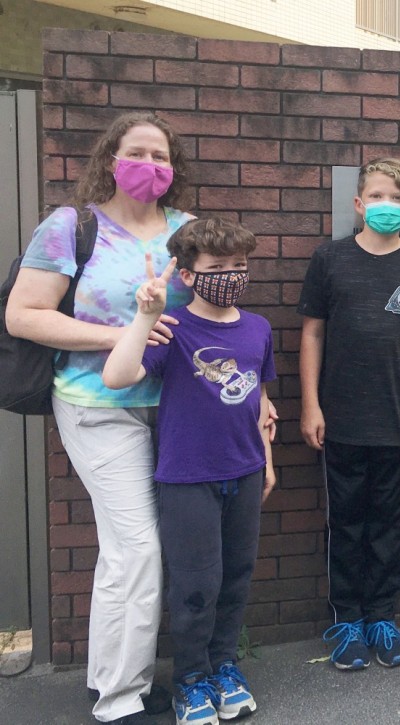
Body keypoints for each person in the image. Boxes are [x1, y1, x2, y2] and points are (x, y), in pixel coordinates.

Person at [5, 112, 194, 724]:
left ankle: (119, 679)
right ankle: (117, 699)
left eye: (162, 156)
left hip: (176, 413)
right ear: (111, 158)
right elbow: (25, 315)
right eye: (138, 151)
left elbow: (209, 318)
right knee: (136, 548)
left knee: (137, 548)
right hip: (96, 408)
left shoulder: (188, 232)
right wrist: (119, 336)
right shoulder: (71, 227)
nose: (151, 164)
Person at [102, 218, 274, 725]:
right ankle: (190, 680)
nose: (231, 275)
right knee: (196, 586)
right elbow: (117, 376)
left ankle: (224, 667)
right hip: (186, 479)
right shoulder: (174, 330)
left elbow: (261, 402)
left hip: (244, 473)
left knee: (236, 579)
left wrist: (267, 461)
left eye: (239, 266)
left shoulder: (259, 328)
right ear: (190, 276)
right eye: (216, 267)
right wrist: (143, 317)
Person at [298, 157, 400, 669]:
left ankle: (382, 617)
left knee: (388, 524)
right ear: (359, 204)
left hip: (396, 422)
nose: (387, 205)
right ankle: (346, 620)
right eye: (378, 196)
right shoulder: (330, 259)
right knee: (345, 524)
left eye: (398, 198)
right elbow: (312, 333)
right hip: (339, 418)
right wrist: (311, 404)